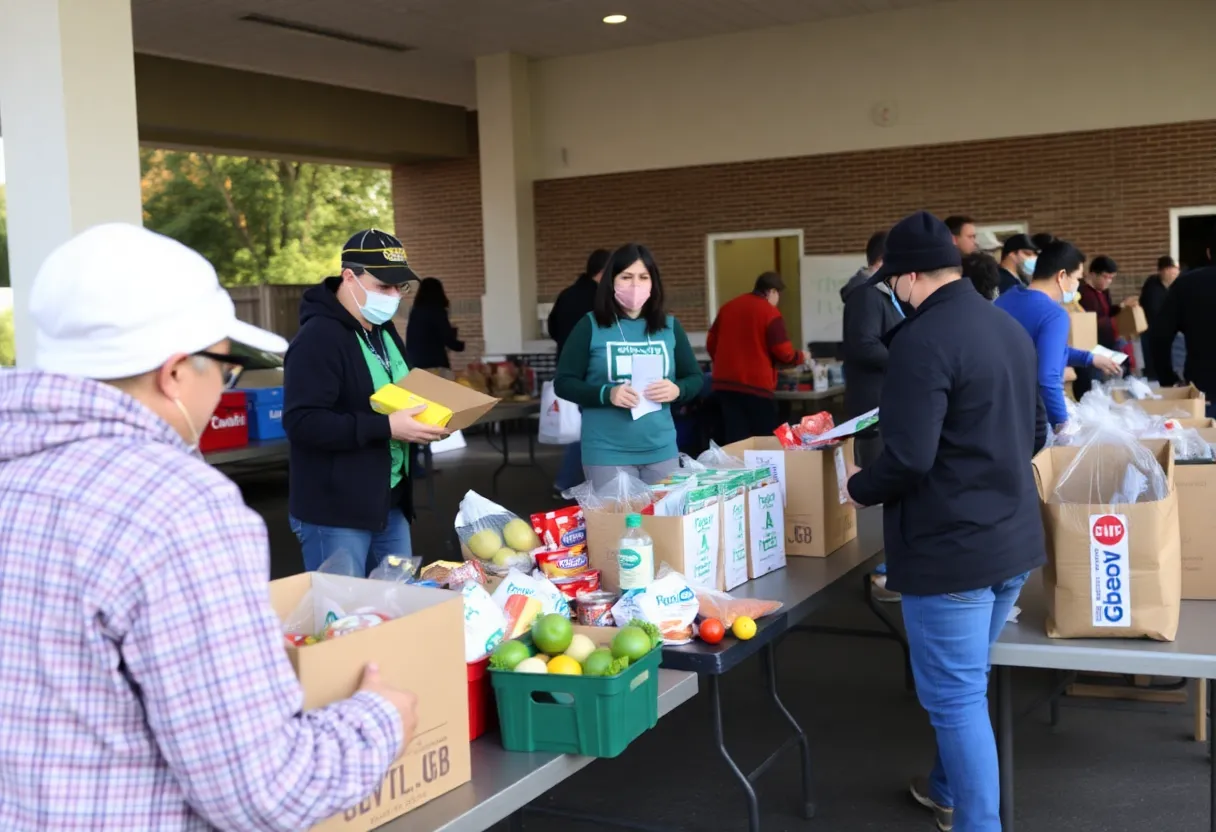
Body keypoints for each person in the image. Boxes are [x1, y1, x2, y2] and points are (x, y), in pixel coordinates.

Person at [0, 224, 416, 830]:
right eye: (226, 370)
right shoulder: (180, 508)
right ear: (174, 374)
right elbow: (264, 790)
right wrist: (379, 719)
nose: (223, 391)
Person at [845, 211, 1046, 832]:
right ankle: (942, 786)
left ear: (905, 279)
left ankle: (977, 822)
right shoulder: (1006, 325)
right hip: (1011, 541)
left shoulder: (921, 341)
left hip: (950, 551)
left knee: (957, 699)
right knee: (966, 685)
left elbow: (907, 457)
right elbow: (1038, 429)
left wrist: (856, 487)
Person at [284, 229, 448, 574]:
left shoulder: (382, 329)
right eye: (382, 286)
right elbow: (302, 423)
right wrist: (386, 427)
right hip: (336, 510)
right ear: (349, 277)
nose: (392, 296)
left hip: (388, 501)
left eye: (399, 287)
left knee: (398, 605)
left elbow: (400, 391)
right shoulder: (318, 338)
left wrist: (431, 418)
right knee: (343, 619)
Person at [553, 243, 703, 488]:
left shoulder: (669, 326)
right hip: (607, 452)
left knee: (661, 525)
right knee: (619, 526)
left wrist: (678, 390)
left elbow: (694, 377)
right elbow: (564, 382)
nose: (636, 285)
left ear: (653, 283)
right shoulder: (589, 325)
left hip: (661, 449)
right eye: (627, 277)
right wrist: (606, 393)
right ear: (611, 281)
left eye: (643, 277)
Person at [995, 241, 1122, 429]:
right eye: (1077, 278)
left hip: (997, 404)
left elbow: (1040, 348)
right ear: (1062, 276)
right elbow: (1048, 379)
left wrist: (1090, 358)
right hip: (1026, 412)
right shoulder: (1054, 314)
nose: (1077, 285)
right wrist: (1062, 425)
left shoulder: (1005, 299)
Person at [707, 271, 807, 443]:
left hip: (725, 385)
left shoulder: (728, 307)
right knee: (763, 441)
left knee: (735, 439)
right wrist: (801, 357)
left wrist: (726, 364)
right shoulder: (770, 313)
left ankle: (738, 469)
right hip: (756, 387)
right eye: (778, 295)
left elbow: (711, 343)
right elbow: (784, 353)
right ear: (772, 291)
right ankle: (763, 471)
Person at [547, 248, 611, 492]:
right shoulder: (601, 299)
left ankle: (574, 480)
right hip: (594, 373)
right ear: (604, 272)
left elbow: (553, 328)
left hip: (568, 371)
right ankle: (570, 481)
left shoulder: (567, 294)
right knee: (594, 426)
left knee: (589, 424)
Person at [841, 230, 899, 468]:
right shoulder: (867, 295)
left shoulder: (882, 294)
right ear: (883, 260)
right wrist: (904, 357)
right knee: (875, 476)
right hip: (873, 404)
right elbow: (864, 345)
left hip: (884, 399)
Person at [1152, 225, 1216, 417]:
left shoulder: (1187, 284)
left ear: (1208, 252)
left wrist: (1167, 379)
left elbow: (1159, 336)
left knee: (1205, 444)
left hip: (1203, 388)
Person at [405, 277, 465, 375]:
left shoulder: (415, 312)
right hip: (435, 366)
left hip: (414, 366)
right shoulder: (437, 311)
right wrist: (463, 345)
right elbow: (449, 340)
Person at [1139, 255, 1182, 381]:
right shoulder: (1153, 288)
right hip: (1153, 335)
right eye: (1175, 269)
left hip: (1163, 335)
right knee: (1154, 369)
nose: (1177, 273)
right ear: (1166, 270)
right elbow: (1156, 313)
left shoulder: (1168, 287)